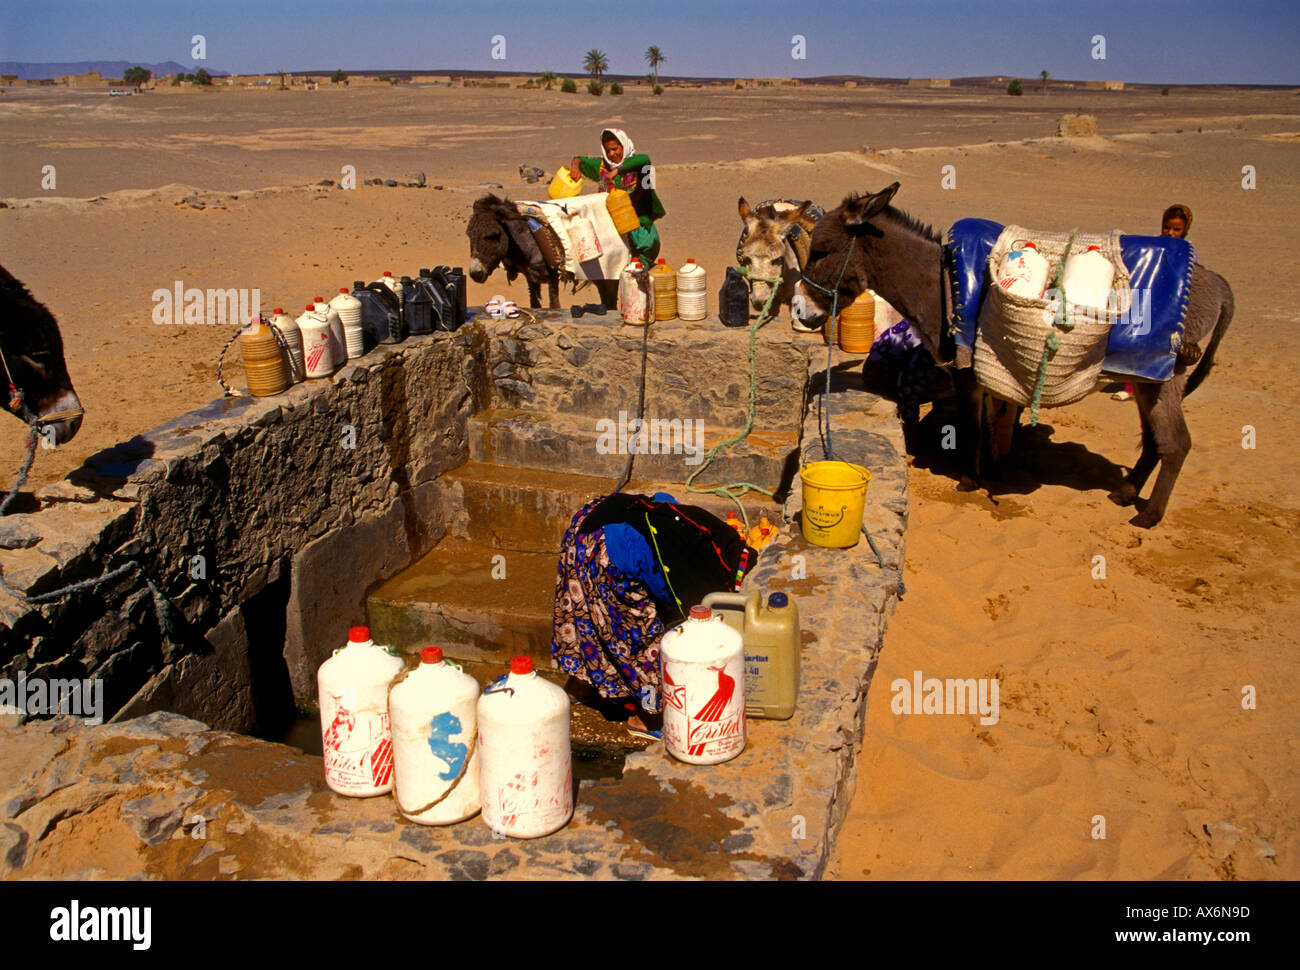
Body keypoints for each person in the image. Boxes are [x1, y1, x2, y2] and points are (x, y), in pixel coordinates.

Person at [1114, 203, 1193, 401]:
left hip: (1169, 304)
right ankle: (1130, 386)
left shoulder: (1187, 252)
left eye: (1177, 229)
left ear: (1185, 229)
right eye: (1167, 227)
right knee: (1138, 339)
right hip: (1149, 299)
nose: (1170, 233)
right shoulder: (1154, 245)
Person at [569, 128, 666, 265]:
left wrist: (617, 170)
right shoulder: (603, 166)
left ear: (624, 146)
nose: (611, 154)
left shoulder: (641, 167)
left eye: (615, 149)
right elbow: (579, 159)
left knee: (644, 255)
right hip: (611, 225)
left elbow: (645, 159)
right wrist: (575, 167)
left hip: (639, 224)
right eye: (608, 150)